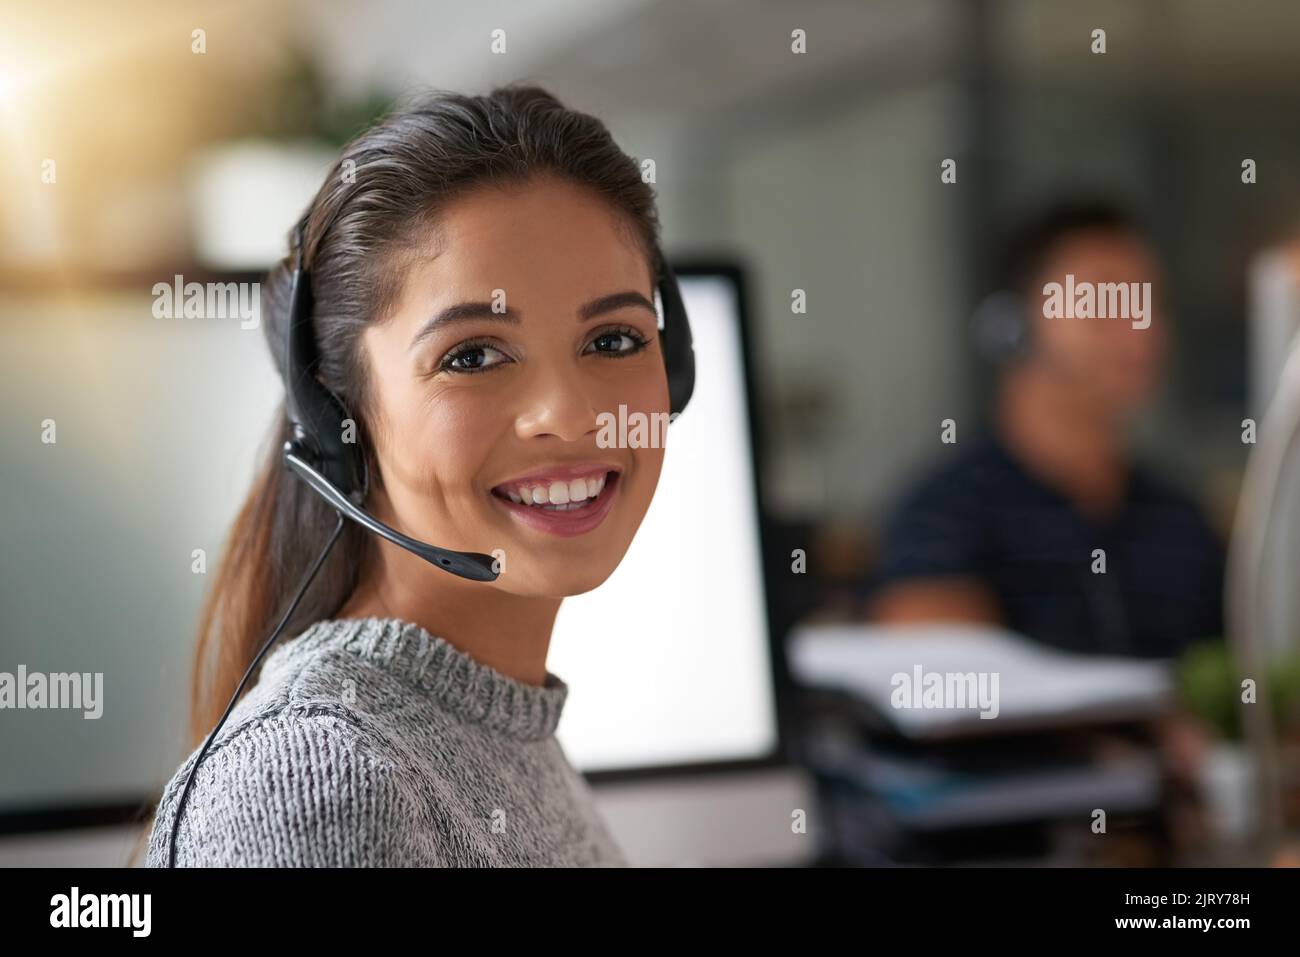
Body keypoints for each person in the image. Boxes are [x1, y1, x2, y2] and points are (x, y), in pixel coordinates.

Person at [143, 85, 679, 866]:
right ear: (337, 416)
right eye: (472, 355)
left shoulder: (498, 732)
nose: (568, 413)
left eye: (614, 339)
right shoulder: (322, 782)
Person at [865, 199, 1226, 660]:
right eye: (1104, 299)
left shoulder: (1179, 521)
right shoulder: (944, 515)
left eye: (1151, 300)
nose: (1144, 329)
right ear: (1012, 326)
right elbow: (939, 682)